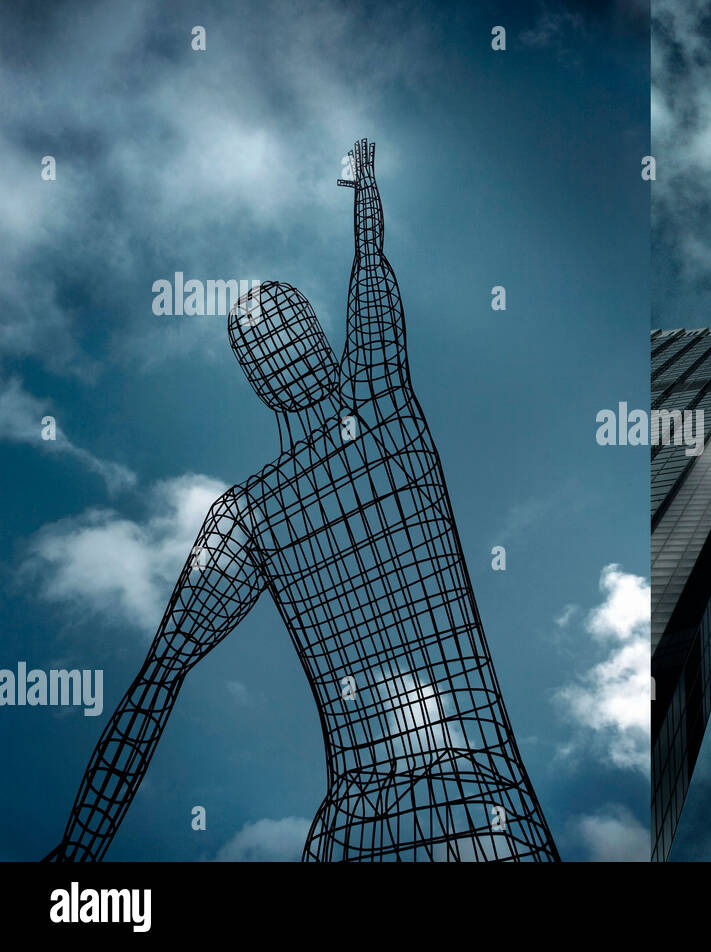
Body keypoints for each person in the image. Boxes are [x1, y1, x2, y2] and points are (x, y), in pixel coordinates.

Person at [45, 140, 558, 862]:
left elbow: (155, 685)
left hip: (358, 826)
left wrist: (77, 852)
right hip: (475, 807)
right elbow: (370, 267)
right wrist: (363, 187)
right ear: (320, 344)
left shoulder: (252, 511)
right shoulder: (380, 413)